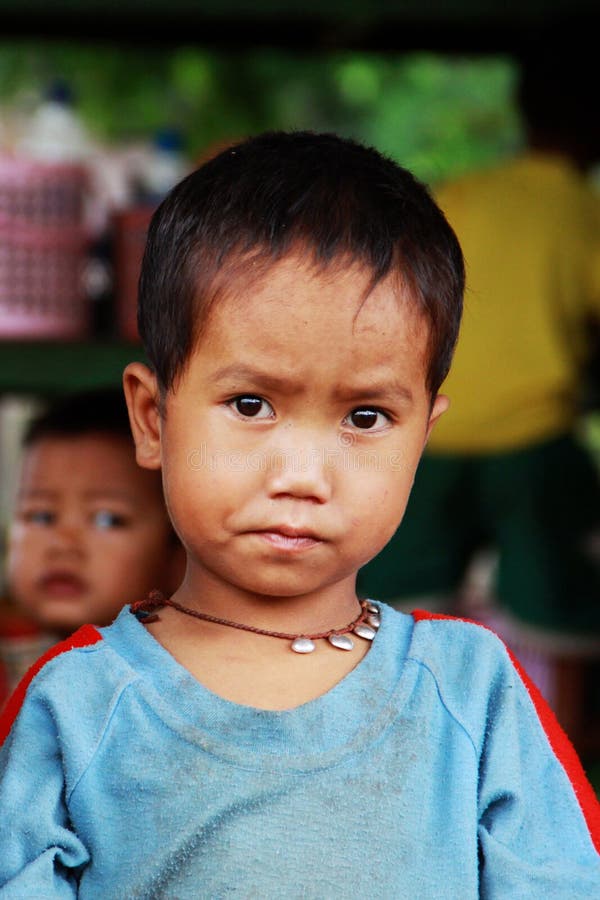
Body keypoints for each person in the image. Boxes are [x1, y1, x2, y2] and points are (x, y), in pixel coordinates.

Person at [0, 131, 598, 897]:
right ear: (152, 419)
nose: (304, 475)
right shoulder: (78, 707)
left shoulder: (474, 696)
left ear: (422, 440)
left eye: (367, 418)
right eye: (251, 405)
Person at [357, 54, 600, 658]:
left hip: (428, 435)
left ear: (523, 111)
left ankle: (401, 738)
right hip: (533, 443)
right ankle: (561, 742)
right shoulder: (582, 213)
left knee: (398, 612)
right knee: (561, 616)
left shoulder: (459, 196)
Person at [0, 387, 184, 706]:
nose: (63, 544)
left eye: (108, 520)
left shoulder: (175, 685)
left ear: (179, 553)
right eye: (41, 516)